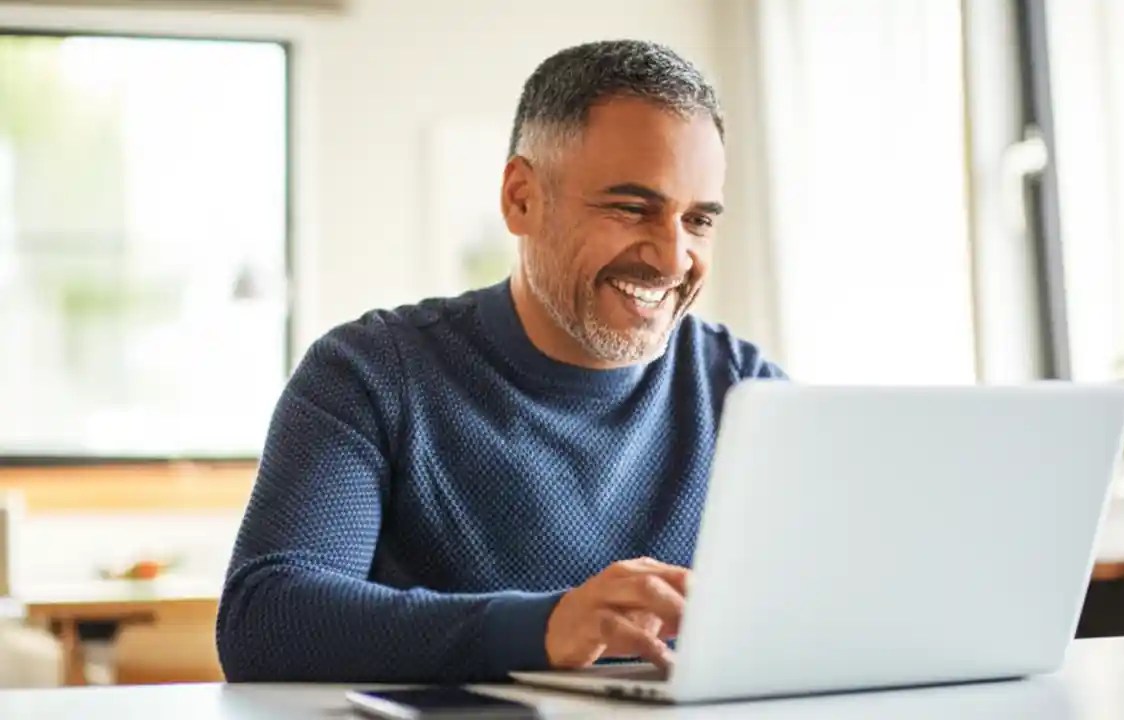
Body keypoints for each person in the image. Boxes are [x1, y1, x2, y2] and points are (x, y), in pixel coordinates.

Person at [216, 39, 784, 684]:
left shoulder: (748, 393)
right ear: (520, 198)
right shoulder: (372, 373)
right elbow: (264, 621)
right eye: (631, 209)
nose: (672, 257)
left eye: (700, 220)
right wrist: (545, 626)